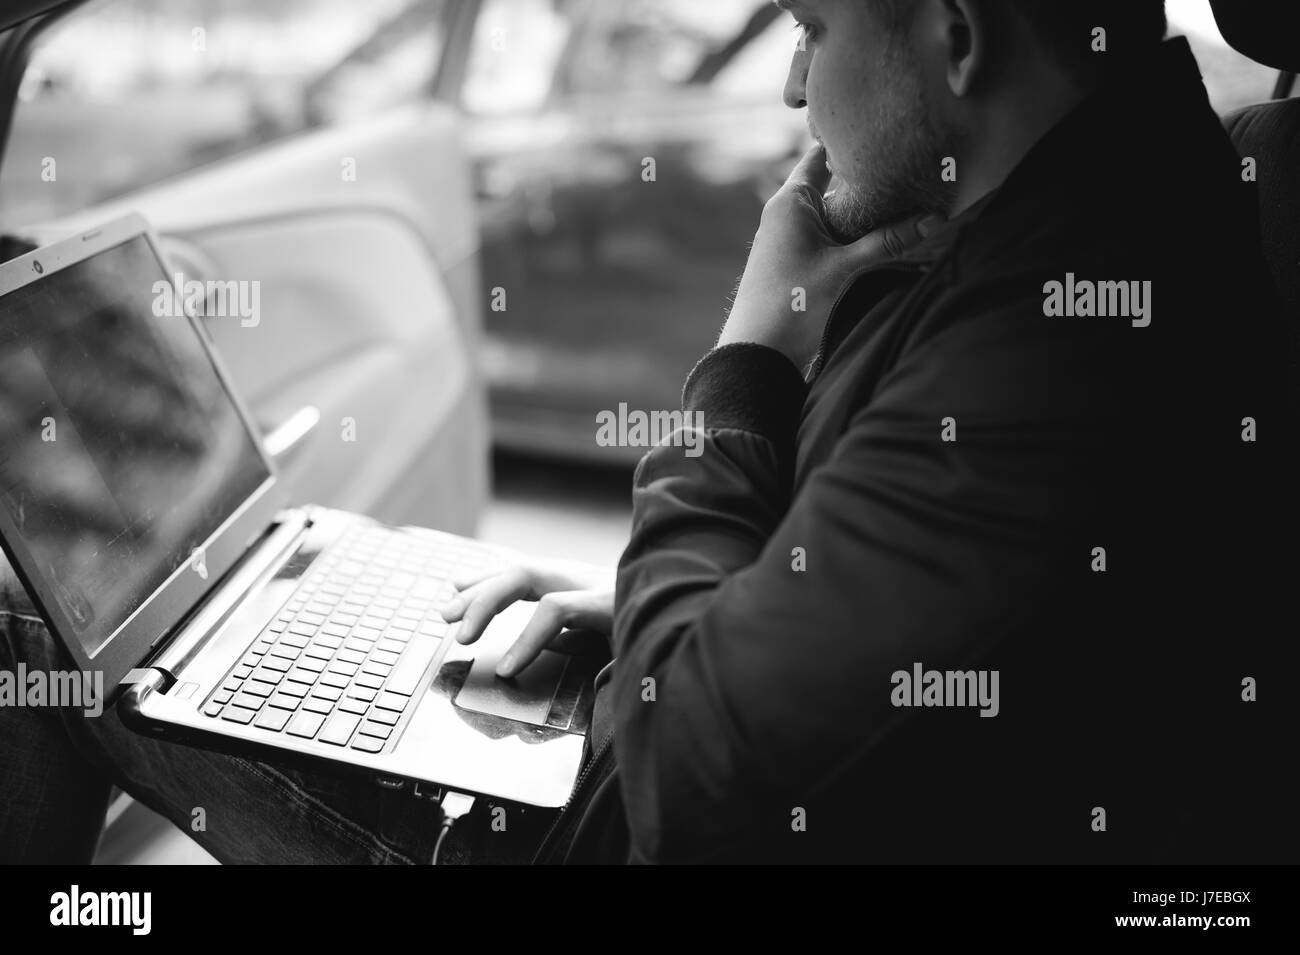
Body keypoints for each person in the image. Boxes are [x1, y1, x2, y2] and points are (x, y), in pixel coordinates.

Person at [1, 0, 1291, 864]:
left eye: (813, 26)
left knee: (28, 633)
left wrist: (746, 354)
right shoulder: (1094, 222)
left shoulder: (1065, 342)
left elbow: (681, 789)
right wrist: (654, 611)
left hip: (620, 823)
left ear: (954, 35)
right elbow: (893, 606)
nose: (794, 82)